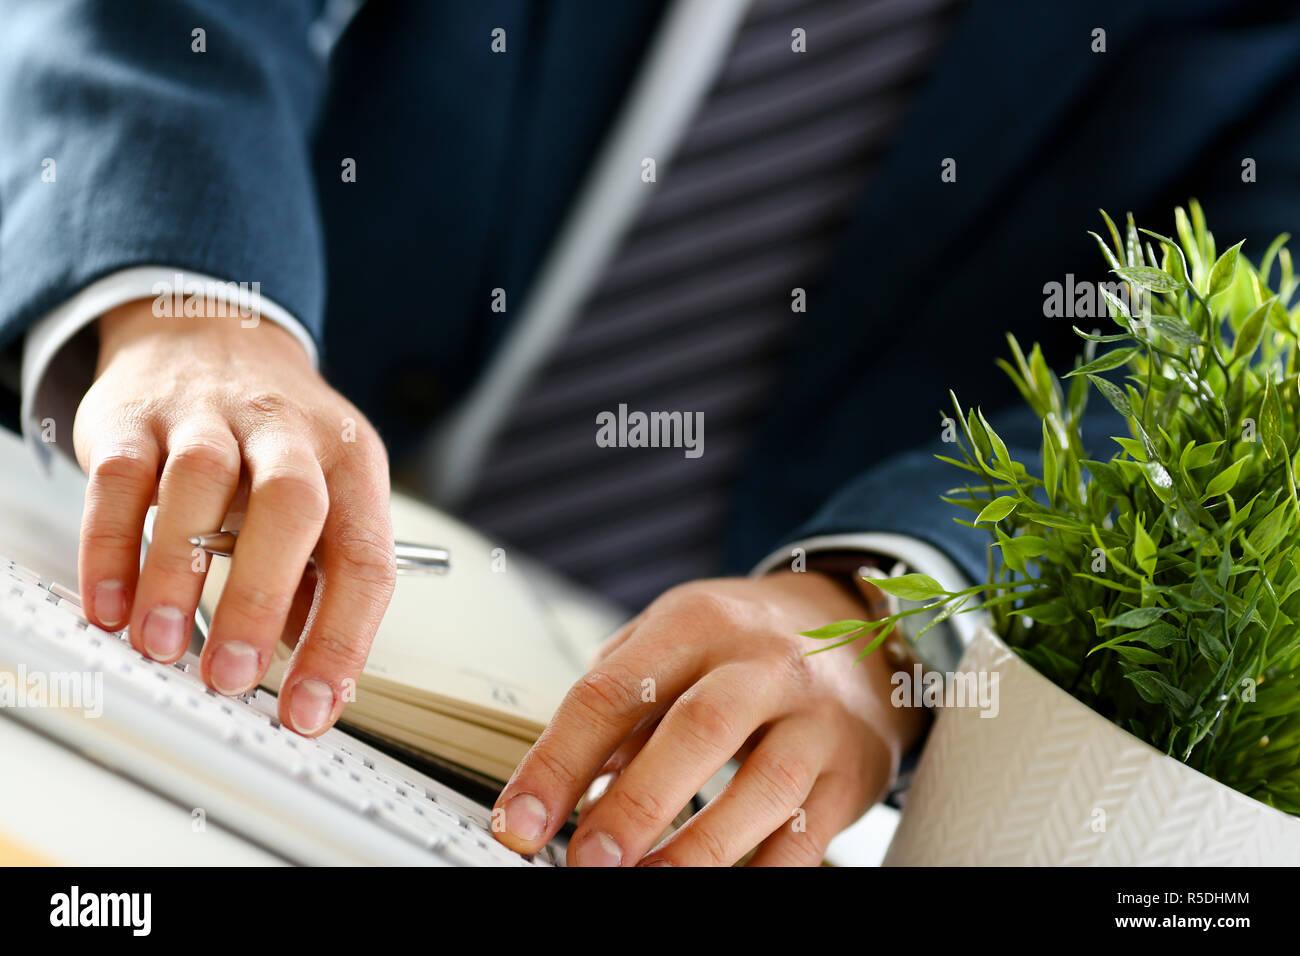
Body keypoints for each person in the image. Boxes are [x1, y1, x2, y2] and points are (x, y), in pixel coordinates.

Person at [0, 0, 1295, 866]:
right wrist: (187, 293)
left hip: (664, 773)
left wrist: (888, 622)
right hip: (133, 532)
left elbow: (1231, 362)